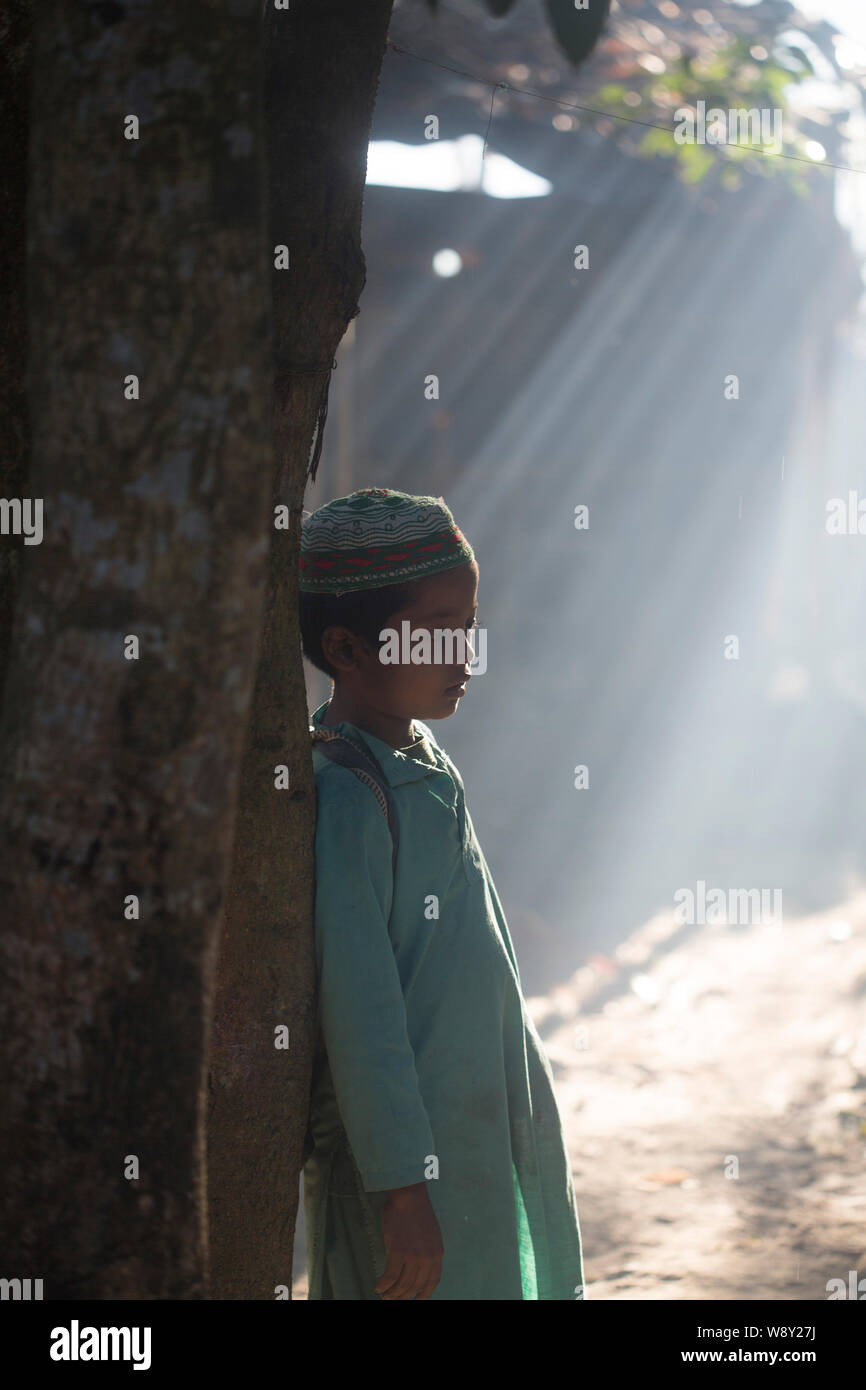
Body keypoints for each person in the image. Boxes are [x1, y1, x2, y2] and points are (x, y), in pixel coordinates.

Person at [299, 486, 585, 1300]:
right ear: (347, 649)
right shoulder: (351, 799)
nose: (463, 655)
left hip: (477, 1142)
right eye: (435, 633)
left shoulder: (420, 761)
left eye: (466, 628)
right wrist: (401, 1192)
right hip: (412, 1180)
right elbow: (362, 1015)